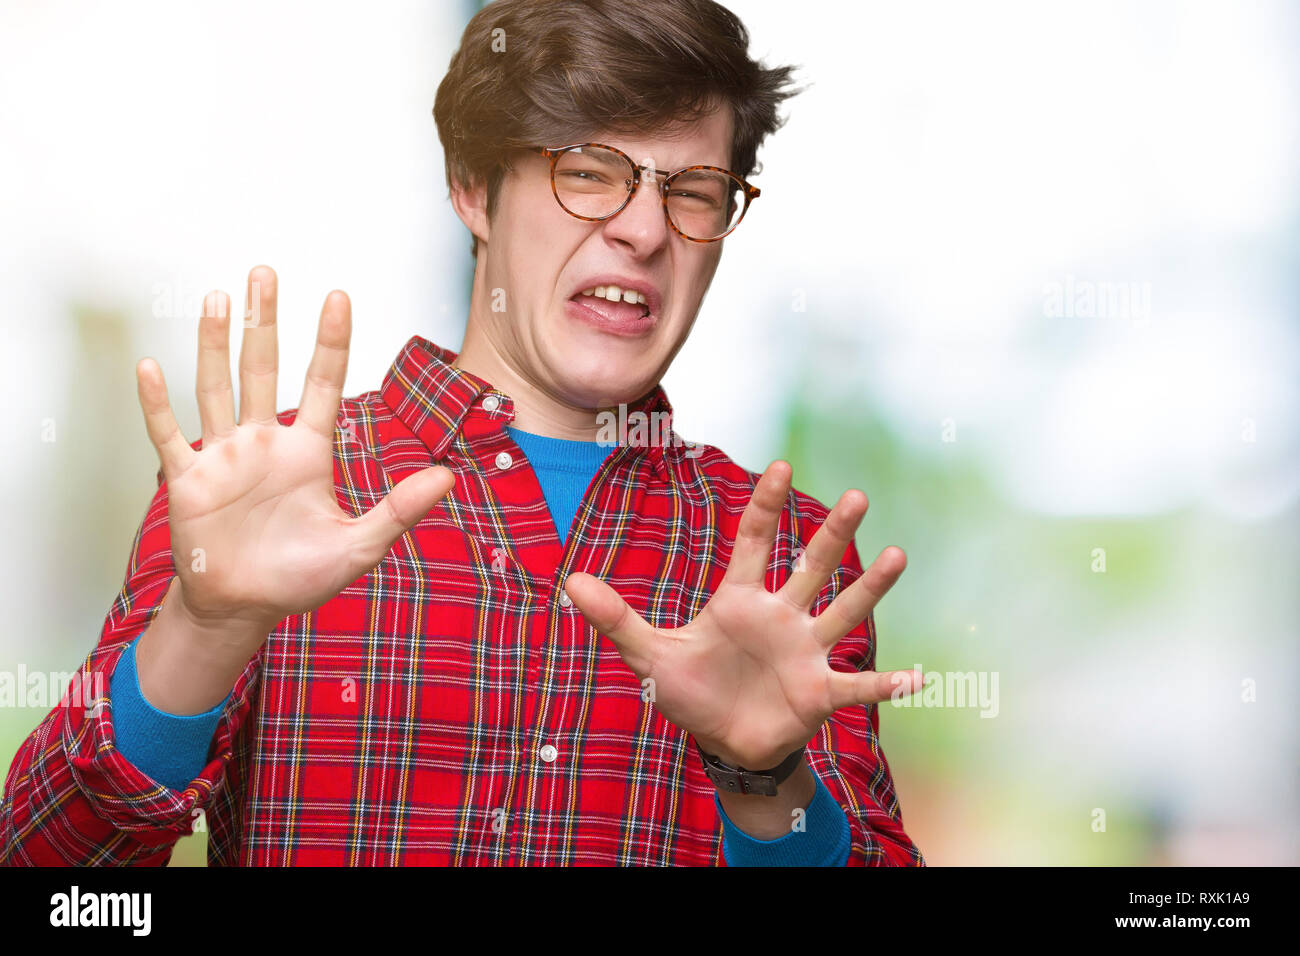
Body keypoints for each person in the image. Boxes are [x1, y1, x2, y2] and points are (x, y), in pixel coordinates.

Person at [1, 0, 924, 866]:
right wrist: (203, 631)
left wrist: (766, 785)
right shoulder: (261, 492)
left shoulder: (787, 564)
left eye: (694, 190)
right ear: (475, 188)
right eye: (589, 172)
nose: (645, 230)